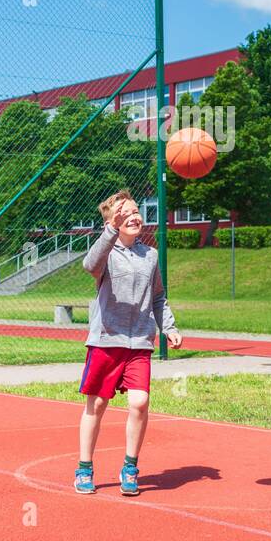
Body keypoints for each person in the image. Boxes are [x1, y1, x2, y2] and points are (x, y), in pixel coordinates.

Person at [74, 188, 181, 496]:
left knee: (140, 402)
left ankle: (130, 466)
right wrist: (109, 231)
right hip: (107, 340)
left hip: (139, 343)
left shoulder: (151, 255)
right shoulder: (105, 254)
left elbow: (158, 296)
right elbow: (89, 265)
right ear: (113, 222)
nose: (133, 216)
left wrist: (169, 327)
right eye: (124, 213)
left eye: (136, 211)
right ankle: (84, 468)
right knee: (97, 404)